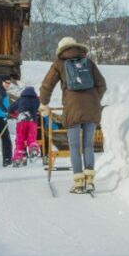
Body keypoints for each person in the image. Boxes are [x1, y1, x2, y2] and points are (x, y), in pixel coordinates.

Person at [39, 37, 106, 193]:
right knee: (88, 145)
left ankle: (78, 183)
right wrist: (95, 99)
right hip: (92, 107)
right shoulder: (88, 62)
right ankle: (90, 181)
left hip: (72, 108)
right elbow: (102, 84)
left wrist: (44, 103)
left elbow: (47, 85)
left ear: (61, 49)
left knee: (74, 147)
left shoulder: (59, 63)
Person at [8, 86, 41, 166]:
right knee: (31, 139)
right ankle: (33, 148)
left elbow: (10, 109)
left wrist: (15, 113)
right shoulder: (36, 99)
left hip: (21, 120)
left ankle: (18, 158)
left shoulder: (21, 99)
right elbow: (37, 108)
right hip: (32, 120)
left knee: (20, 140)